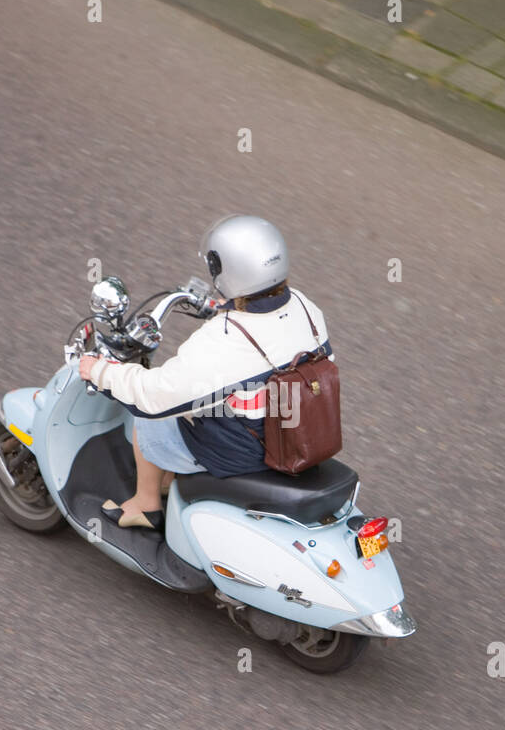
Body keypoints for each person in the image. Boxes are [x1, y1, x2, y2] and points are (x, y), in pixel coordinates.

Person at [78, 214, 332, 531]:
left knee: (150, 417)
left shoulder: (225, 340)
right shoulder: (305, 308)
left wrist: (100, 372)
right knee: (216, 397)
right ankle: (169, 480)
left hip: (245, 454)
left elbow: (153, 396)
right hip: (297, 429)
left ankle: (146, 504)